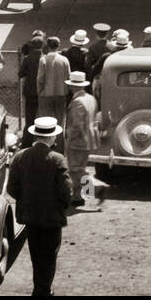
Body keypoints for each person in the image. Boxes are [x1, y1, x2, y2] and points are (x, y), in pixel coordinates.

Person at [7, 116, 73, 296]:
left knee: (36, 256)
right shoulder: (58, 159)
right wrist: (62, 205)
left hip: (30, 216)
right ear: (52, 138)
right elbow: (66, 192)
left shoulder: (20, 157)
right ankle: (43, 290)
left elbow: (11, 188)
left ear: (35, 136)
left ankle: (40, 288)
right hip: (52, 218)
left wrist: (27, 199)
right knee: (50, 256)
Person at [63, 71, 99, 204]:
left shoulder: (77, 102)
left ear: (72, 86)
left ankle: (89, 191)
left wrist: (69, 139)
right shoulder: (90, 98)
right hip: (89, 138)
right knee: (80, 167)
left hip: (78, 140)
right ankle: (79, 196)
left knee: (75, 169)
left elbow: (77, 125)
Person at [36, 36, 72, 140]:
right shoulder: (64, 60)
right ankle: (60, 148)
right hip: (61, 95)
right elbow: (69, 77)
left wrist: (40, 92)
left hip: (46, 95)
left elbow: (40, 79)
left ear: (47, 46)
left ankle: (46, 145)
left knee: (46, 123)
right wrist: (66, 90)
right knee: (60, 123)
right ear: (58, 46)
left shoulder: (43, 59)